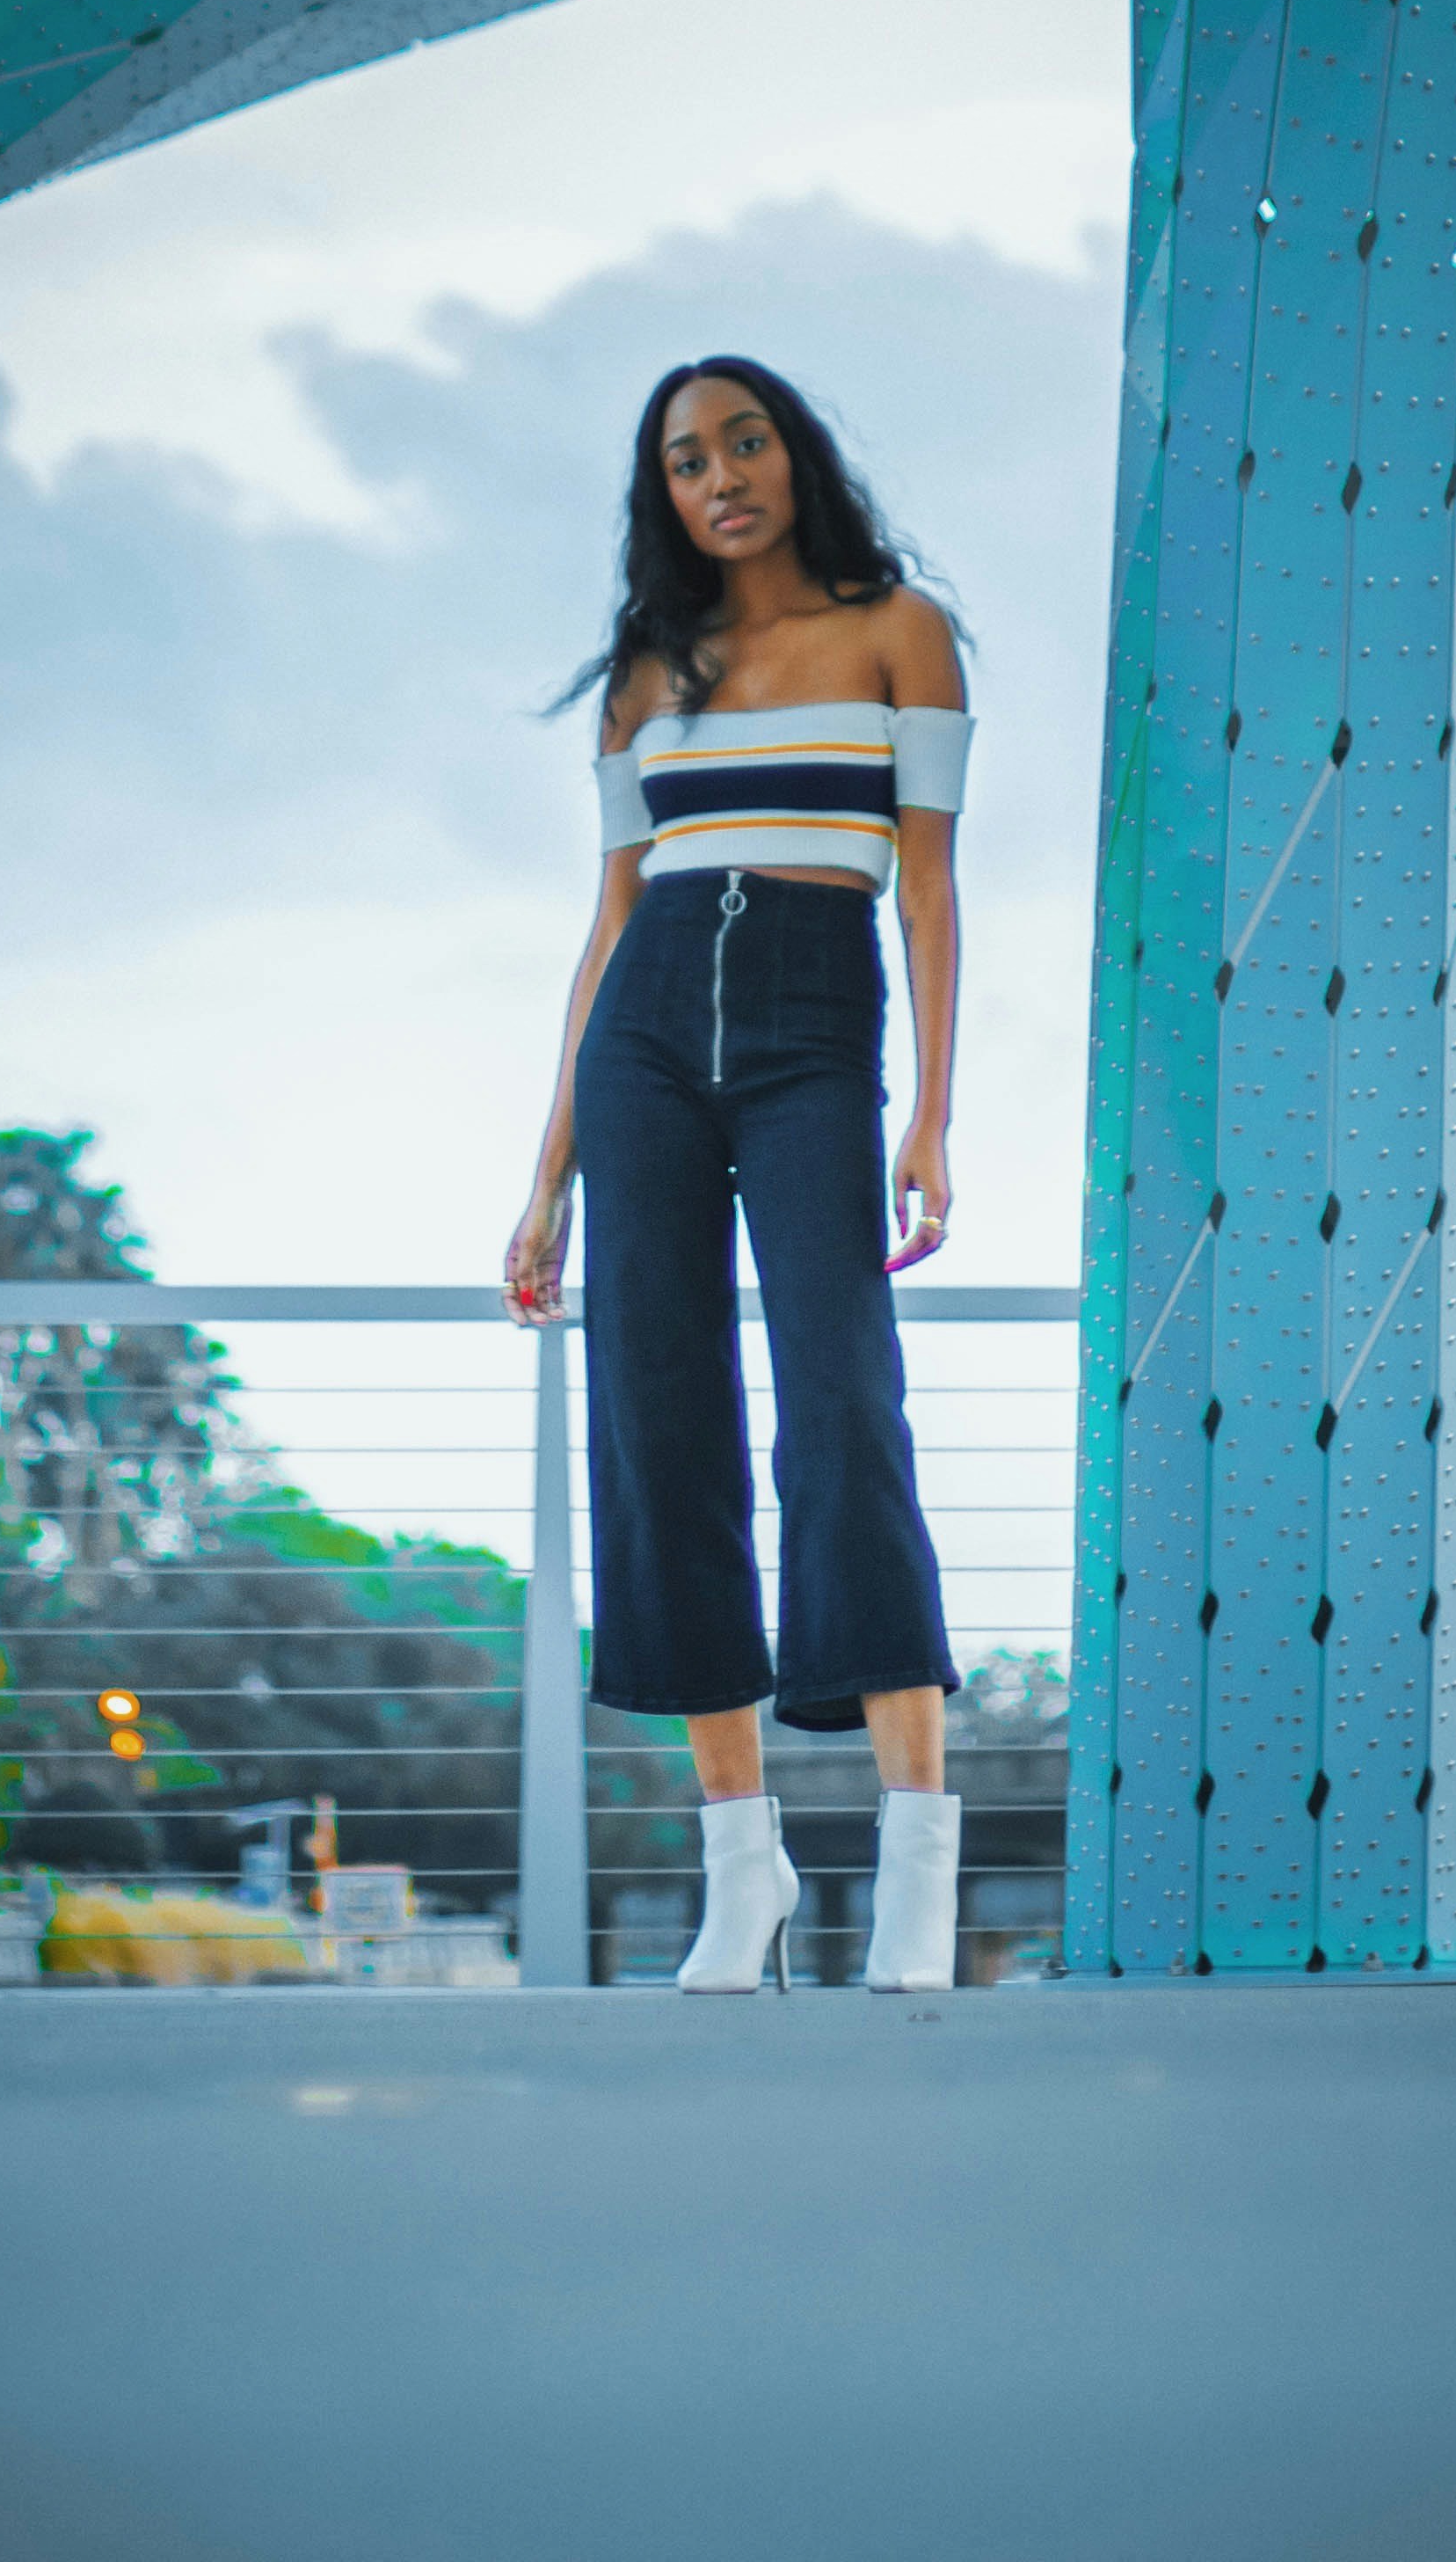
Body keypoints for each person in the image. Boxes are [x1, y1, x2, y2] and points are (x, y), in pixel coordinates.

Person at [505, 355, 971, 1994]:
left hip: (812, 1018)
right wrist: (548, 1174)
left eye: (745, 442)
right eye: (688, 460)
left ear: (795, 453)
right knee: (659, 1418)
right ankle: (742, 1865)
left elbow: (928, 887)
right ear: (667, 494)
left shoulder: (900, 631)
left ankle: (918, 1861)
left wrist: (932, 1114)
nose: (722, 478)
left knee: (842, 1402)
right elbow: (610, 922)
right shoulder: (650, 673)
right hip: (642, 1040)